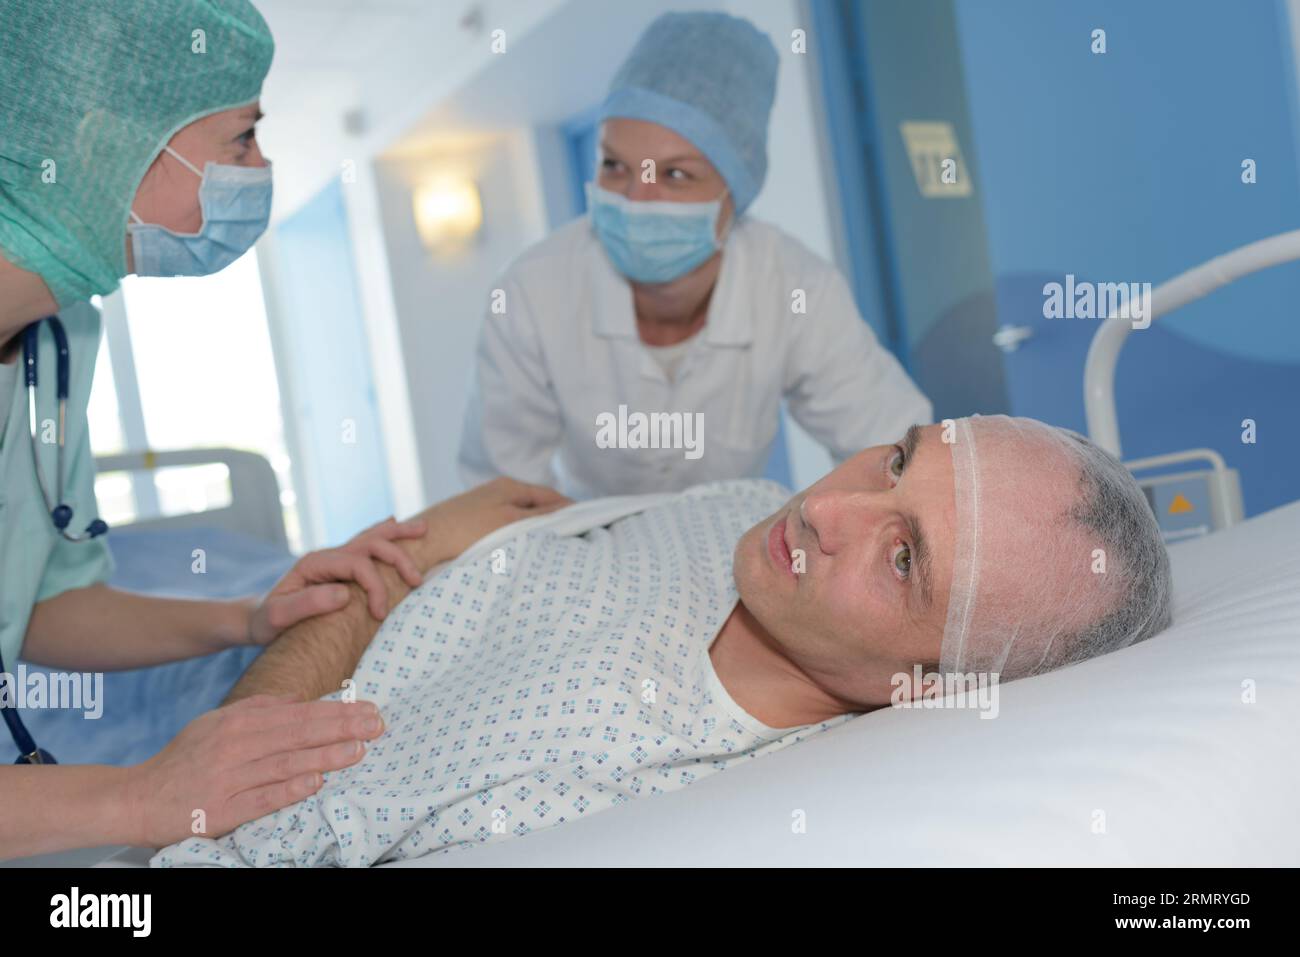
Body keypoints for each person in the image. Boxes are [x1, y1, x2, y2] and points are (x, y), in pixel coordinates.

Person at [0, 0, 571, 861]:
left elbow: (43, 606)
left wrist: (251, 617)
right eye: (240, 139)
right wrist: (142, 797)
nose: (260, 167)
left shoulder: (62, 338)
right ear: (96, 144)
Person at [153, 415, 1173, 866]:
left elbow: (194, 830)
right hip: (240, 619)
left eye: (903, 557)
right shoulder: (744, 509)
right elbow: (493, 526)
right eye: (895, 458)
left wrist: (406, 567)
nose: (827, 509)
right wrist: (424, 554)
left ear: (926, 688)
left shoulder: (618, 771)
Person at [459, 11, 933, 500]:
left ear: (736, 193)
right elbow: (502, 495)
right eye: (615, 166)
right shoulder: (532, 293)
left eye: (675, 175)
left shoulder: (793, 288)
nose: (636, 200)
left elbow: (895, 449)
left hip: (726, 547)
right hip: (581, 548)